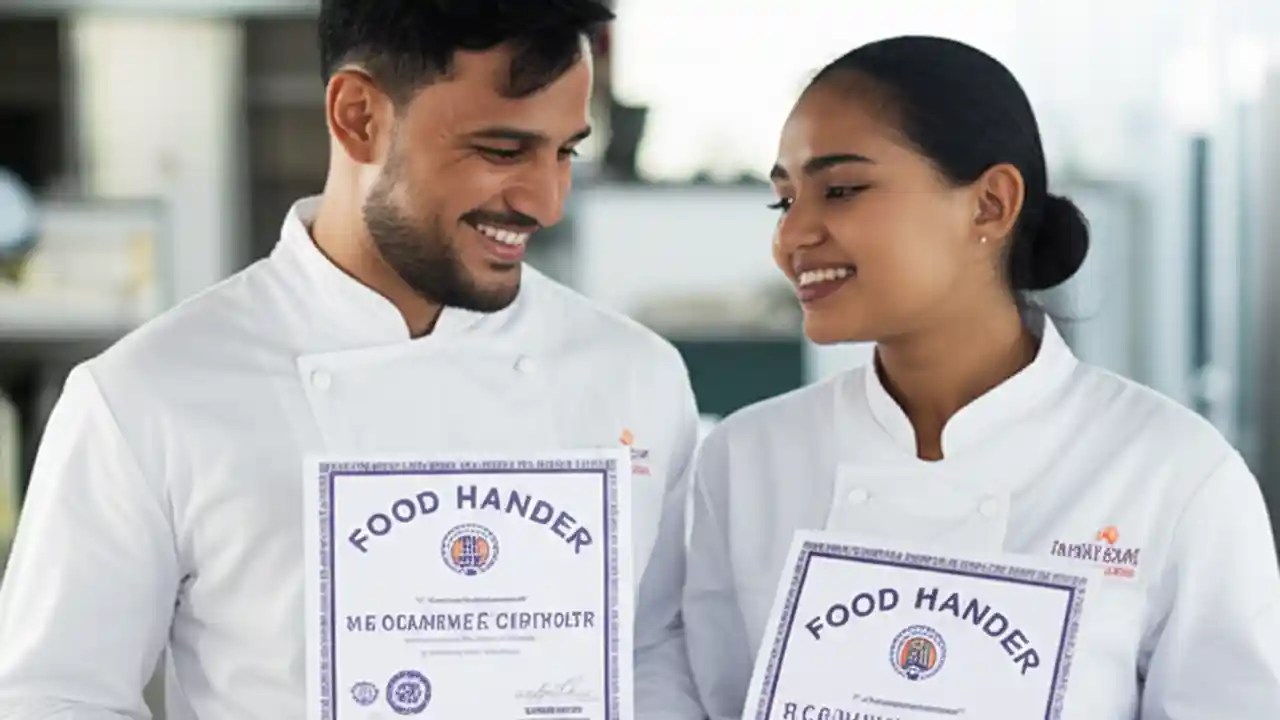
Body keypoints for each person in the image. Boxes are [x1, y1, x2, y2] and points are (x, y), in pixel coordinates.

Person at [0, 2, 700, 718]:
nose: (547, 202)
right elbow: (53, 694)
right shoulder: (146, 395)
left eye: (565, 152)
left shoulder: (633, 374)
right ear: (359, 116)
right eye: (502, 151)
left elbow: (651, 653)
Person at [680, 36, 1280, 719]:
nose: (793, 236)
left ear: (990, 204)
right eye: (783, 202)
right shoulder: (748, 459)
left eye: (841, 189)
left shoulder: (1171, 473)